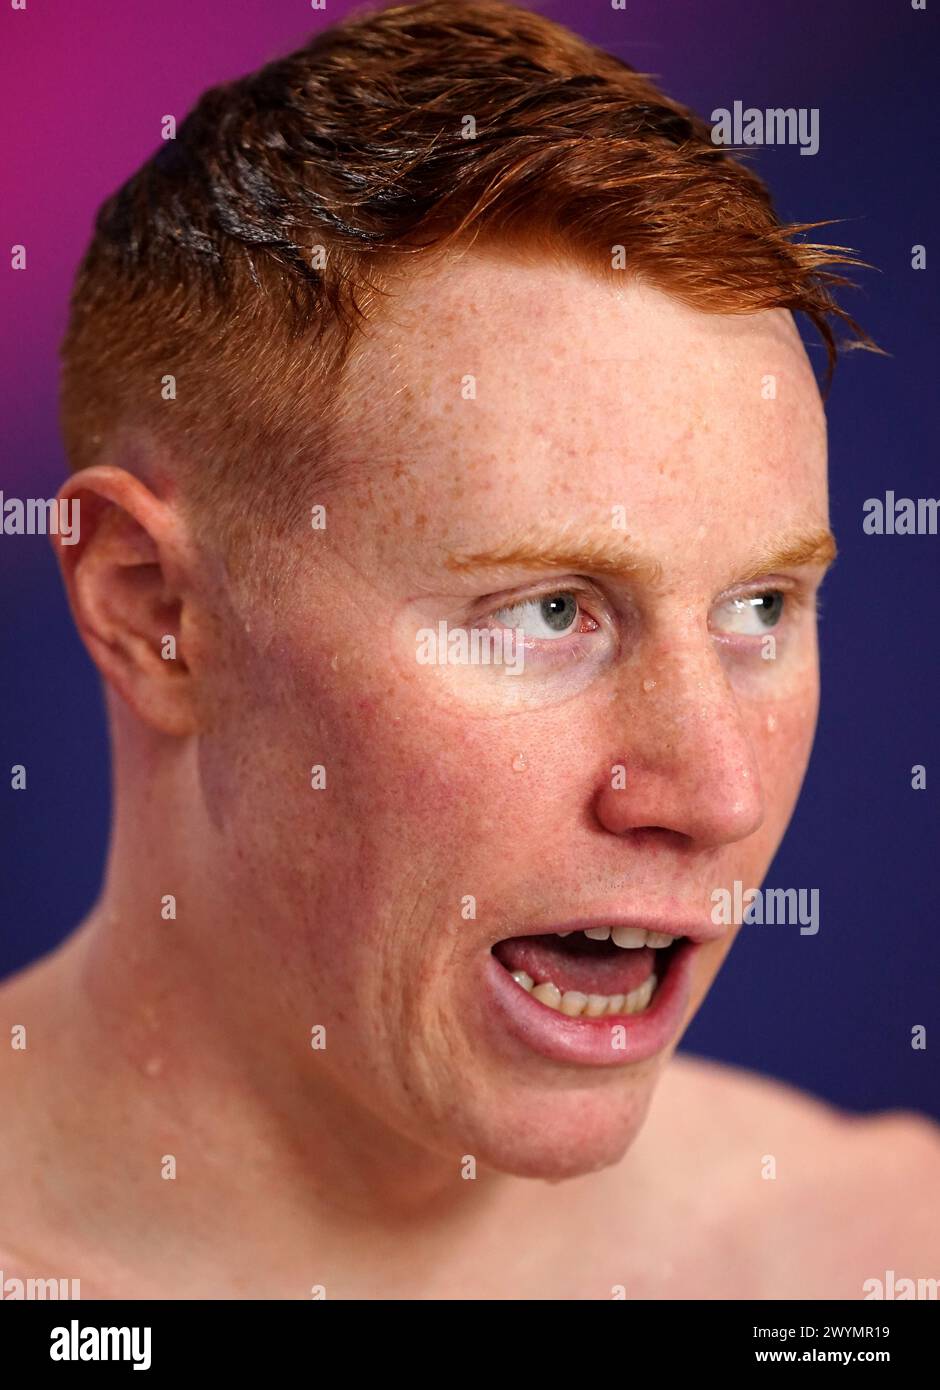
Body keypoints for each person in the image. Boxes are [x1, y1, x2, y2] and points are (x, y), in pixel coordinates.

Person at [1, 0, 936, 1299]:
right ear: (152, 608)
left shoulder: (878, 1257)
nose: (715, 794)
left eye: (762, 607)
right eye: (550, 610)